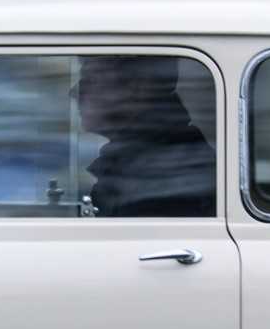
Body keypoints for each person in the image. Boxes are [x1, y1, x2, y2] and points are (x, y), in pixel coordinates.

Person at [77, 56, 215, 217]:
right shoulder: (134, 160)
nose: (75, 91)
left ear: (136, 88)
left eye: (90, 79)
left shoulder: (162, 169)